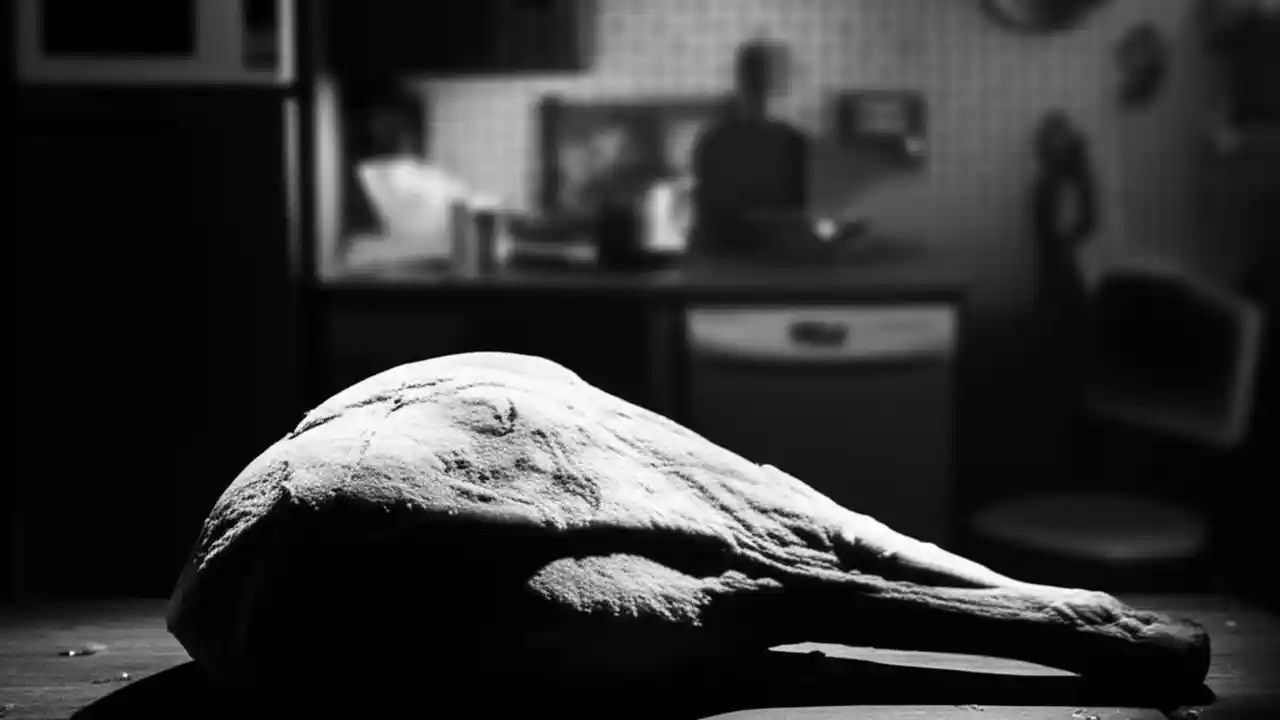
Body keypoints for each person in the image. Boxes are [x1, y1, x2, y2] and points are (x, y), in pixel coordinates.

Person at [690, 38, 809, 257]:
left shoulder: (711, 139)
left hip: (715, 262)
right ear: (772, 79)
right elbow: (791, 215)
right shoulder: (786, 141)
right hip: (761, 263)